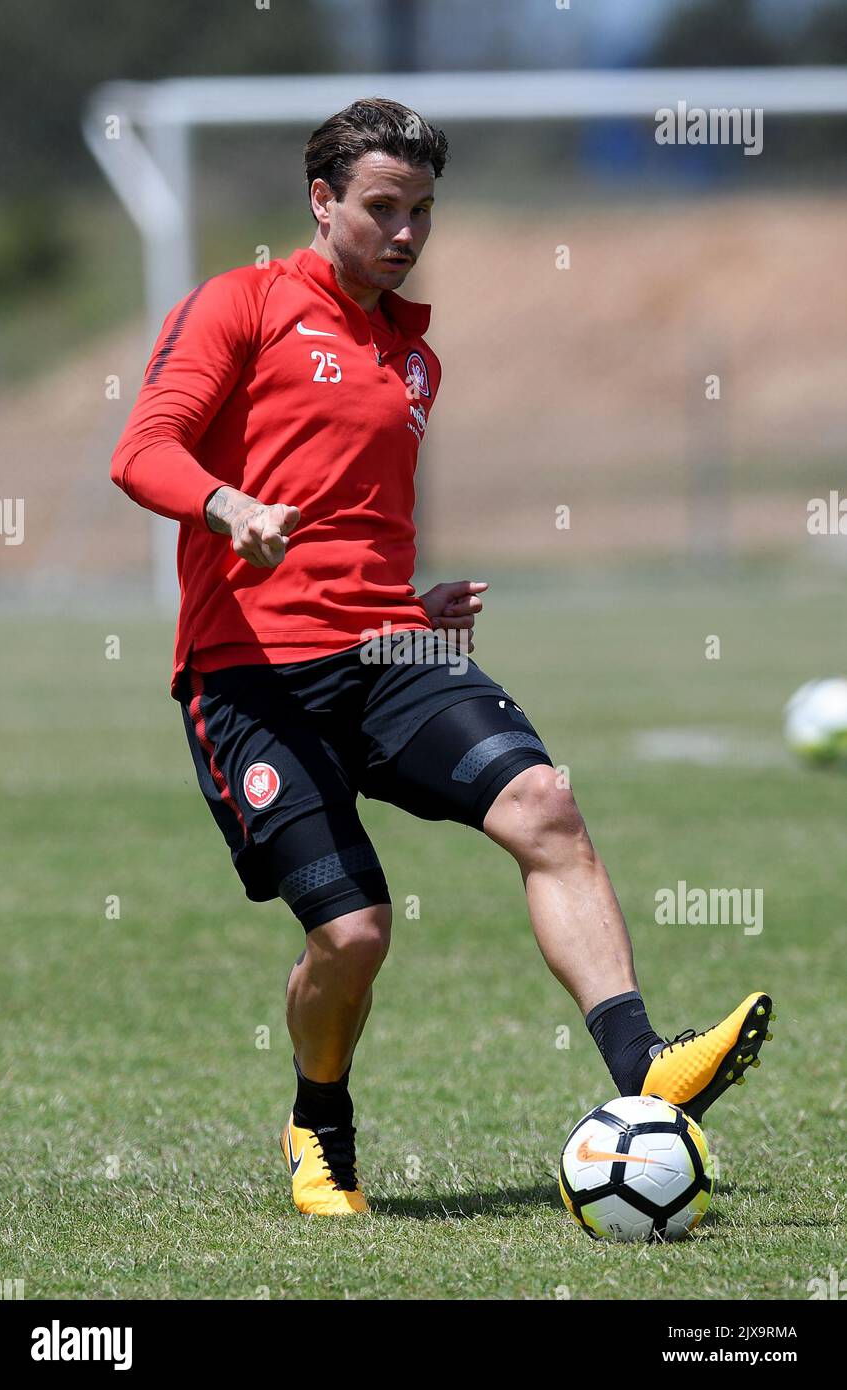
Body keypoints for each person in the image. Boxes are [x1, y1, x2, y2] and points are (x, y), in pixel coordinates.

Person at [111, 97, 774, 1216]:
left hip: (390, 647)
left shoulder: (412, 358)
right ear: (320, 202)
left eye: (421, 209)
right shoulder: (242, 304)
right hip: (252, 670)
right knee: (354, 933)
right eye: (382, 207)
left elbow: (348, 518)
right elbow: (143, 450)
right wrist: (226, 507)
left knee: (545, 806)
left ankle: (642, 1065)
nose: (406, 231)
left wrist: (406, 602)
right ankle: (319, 1126)